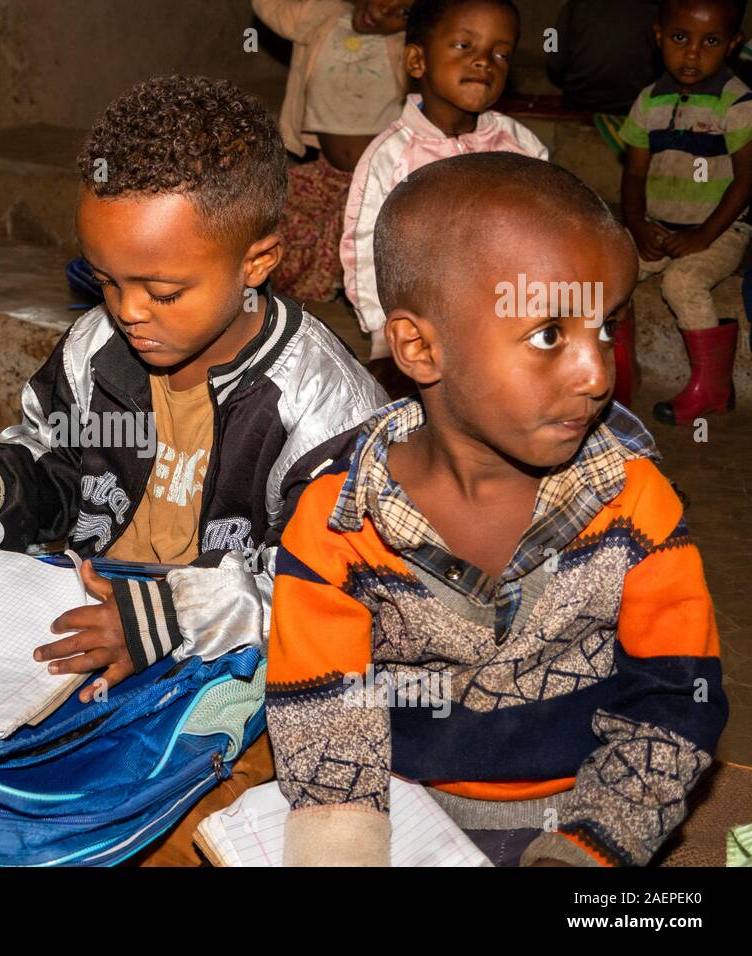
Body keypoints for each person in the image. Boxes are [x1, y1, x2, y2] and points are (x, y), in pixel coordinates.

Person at [0, 74, 385, 864]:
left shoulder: (321, 406)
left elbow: (340, 592)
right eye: (104, 280)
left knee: (157, 832)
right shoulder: (98, 347)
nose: (128, 310)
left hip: (227, 650)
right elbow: (52, 458)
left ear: (259, 260)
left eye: (162, 289)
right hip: (84, 614)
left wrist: (162, 620)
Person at [268, 152, 727, 867]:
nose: (597, 371)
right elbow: (325, 719)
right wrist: (343, 853)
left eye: (605, 328)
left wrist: (583, 848)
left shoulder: (637, 507)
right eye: (551, 335)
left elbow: (676, 702)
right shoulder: (340, 524)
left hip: (588, 816)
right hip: (396, 814)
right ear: (420, 348)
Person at [341, 0, 547, 380]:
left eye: (501, 53)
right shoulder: (390, 157)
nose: (485, 61)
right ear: (417, 61)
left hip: (508, 313)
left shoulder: (520, 146)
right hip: (425, 322)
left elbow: (550, 228)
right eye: (465, 46)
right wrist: (383, 336)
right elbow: (363, 246)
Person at [621, 0, 752, 425]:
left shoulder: (738, 104)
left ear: (733, 44)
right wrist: (637, 224)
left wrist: (704, 237)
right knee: (610, 266)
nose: (692, 53)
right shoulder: (648, 100)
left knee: (682, 281)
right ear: (659, 36)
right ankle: (619, 371)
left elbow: (746, 180)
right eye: (680, 38)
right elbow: (635, 173)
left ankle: (712, 388)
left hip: (722, 230)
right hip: (658, 226)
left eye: (710, 41)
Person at [253, 0, 414, 303]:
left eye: (403, 12)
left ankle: (359, 292)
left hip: (379, 179)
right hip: (327, 170)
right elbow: (269, 7)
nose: (383, 12)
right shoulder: (321, 15)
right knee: (271, 207)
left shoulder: (406, 47)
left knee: (361, 224)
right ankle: (299, 288)